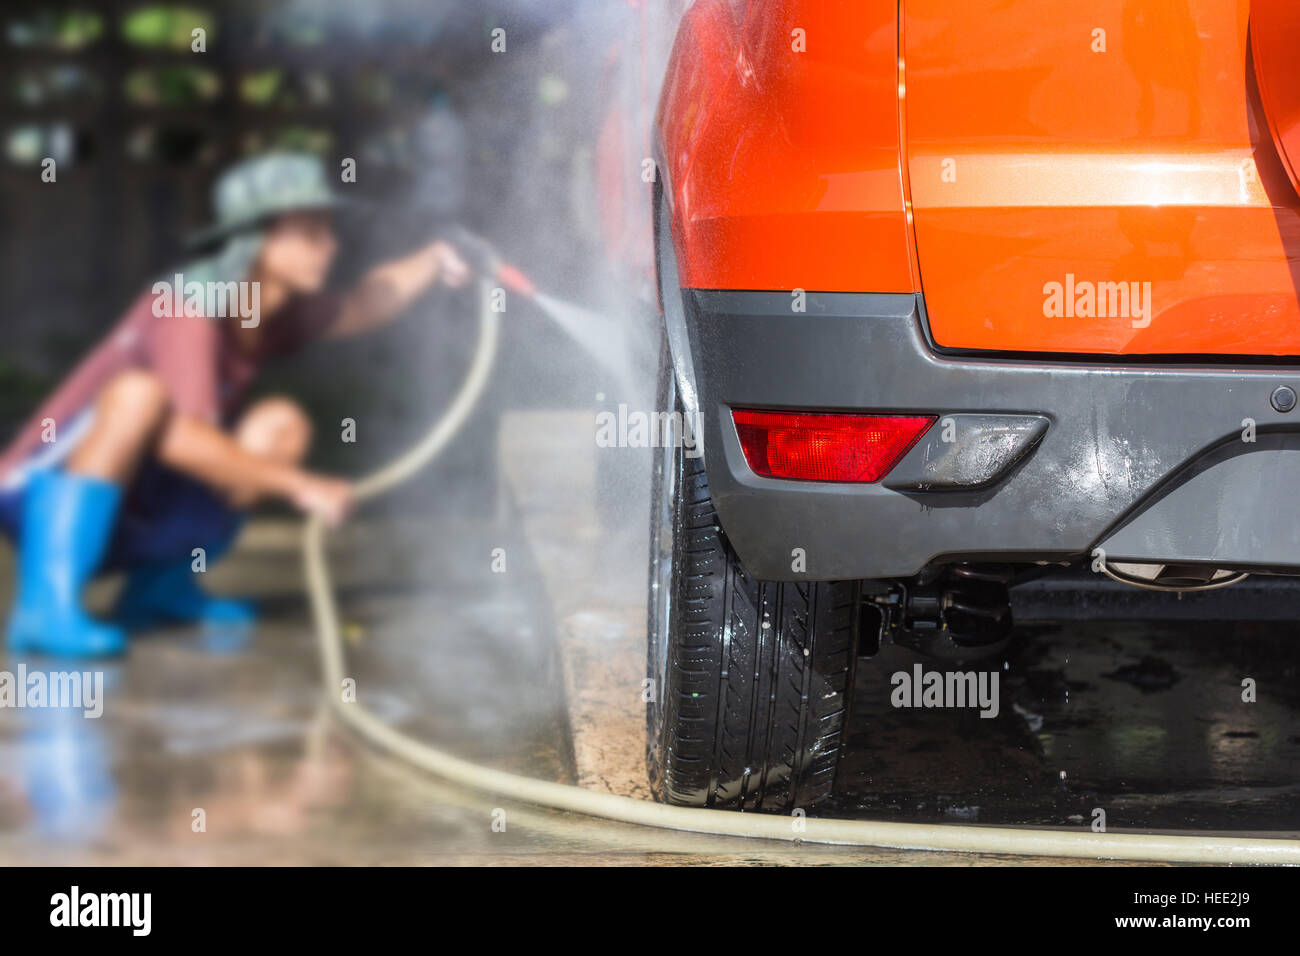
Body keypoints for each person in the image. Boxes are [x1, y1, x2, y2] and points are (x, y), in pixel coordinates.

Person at [0, 152, 470, 657]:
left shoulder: (273, 310)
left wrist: (438, 255)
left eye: (327, 230)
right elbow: (181, 438)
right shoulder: (190, 305)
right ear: (257, 239)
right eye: (311, 231)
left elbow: (361, 304)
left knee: (279, 427)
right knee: (140, 396)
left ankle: (159, 591)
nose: (329, 246)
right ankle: (45, 605)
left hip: (135, 505)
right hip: (36, 496)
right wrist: (303, 486)